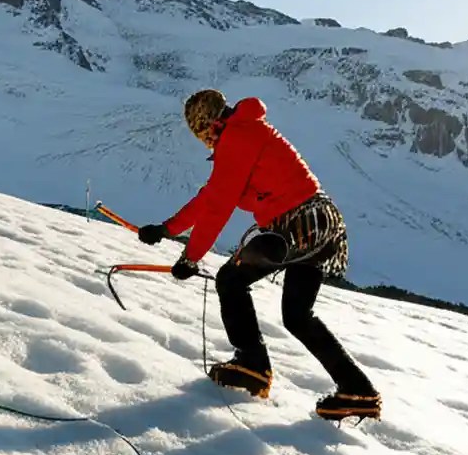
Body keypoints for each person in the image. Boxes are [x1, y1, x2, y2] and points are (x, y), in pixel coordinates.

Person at [138, 89, 381, 421]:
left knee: (230, 279)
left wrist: (191, 257)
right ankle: (358, 389)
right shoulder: (243, 130)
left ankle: (253, 364)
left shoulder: (237, 136)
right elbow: (212, 195)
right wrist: (168, 229)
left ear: (206, 124)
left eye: (200, 132)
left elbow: (219, 204)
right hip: (317, 222)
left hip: (297, 223)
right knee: (296, 315)